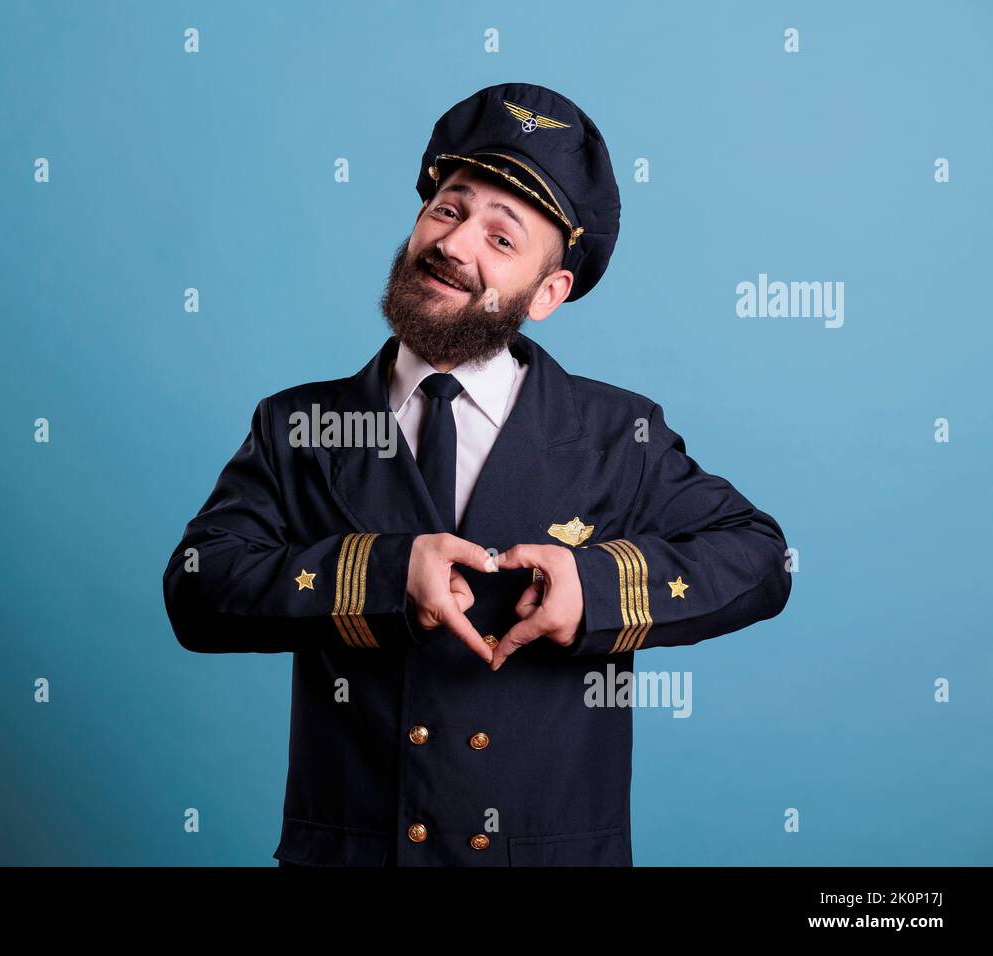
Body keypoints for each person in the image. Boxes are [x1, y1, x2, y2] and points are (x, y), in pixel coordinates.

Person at [162, 83, 792, 866]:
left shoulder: (616, 433)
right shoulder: (299, 424)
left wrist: (594, 590)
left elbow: (761, 557)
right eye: (449, 211)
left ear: (548, 292)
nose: (456, 245)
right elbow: (196, 589)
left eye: (502, 239)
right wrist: (383, 575)